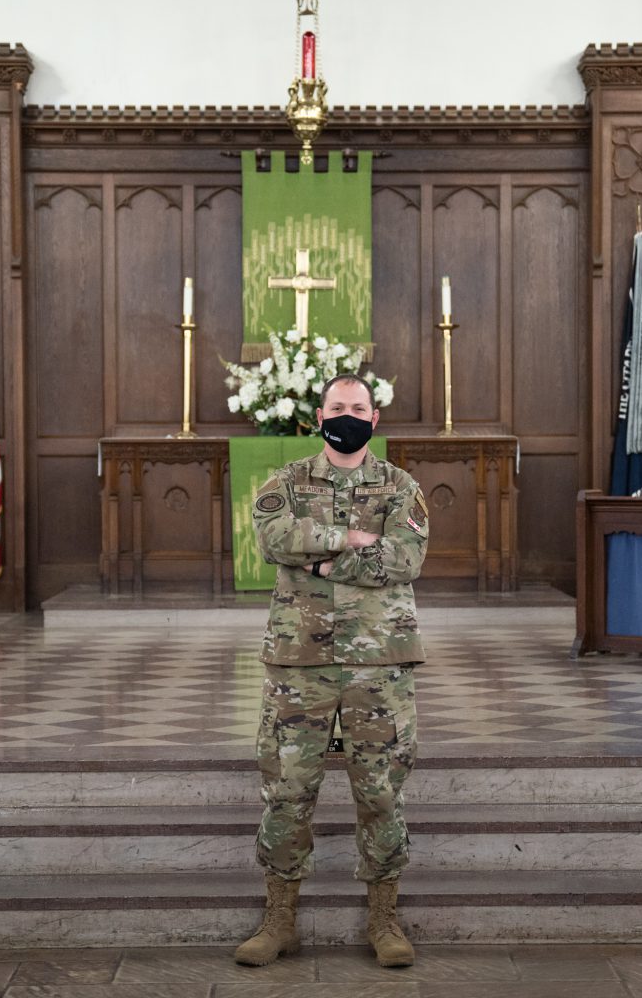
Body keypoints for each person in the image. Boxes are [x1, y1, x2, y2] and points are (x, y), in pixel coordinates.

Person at [235, 374, 429, 968]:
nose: (347, 415)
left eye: (358, 408)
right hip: (301, 663)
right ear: (320, 415)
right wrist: (347, 536)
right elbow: (271, 537)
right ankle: (279, 920)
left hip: (379, 665)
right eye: (337, 406)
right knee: (288, 793)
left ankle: (384, 920)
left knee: (380, 795)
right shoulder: (287, 482)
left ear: (375, 420)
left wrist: (317, 563)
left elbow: (405, 556)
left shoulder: (401, 485)